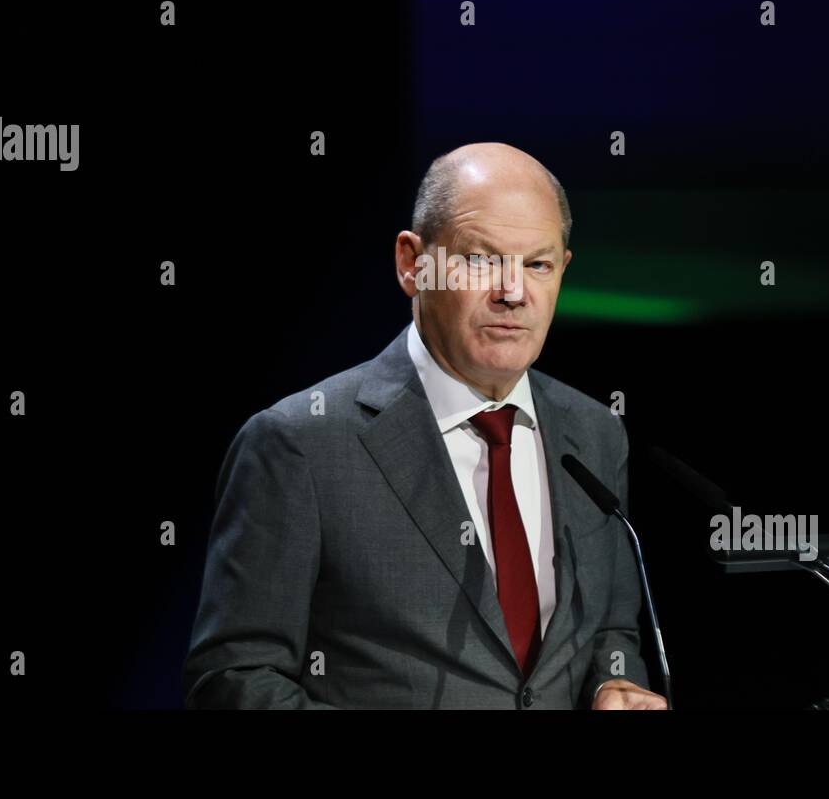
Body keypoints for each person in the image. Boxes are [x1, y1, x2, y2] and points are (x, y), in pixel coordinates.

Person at [182, 142, 667, 709]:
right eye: (483, 260)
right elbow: (233, 678)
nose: (513, 293)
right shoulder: (299, 444)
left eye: (537, 264)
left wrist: (615, 685)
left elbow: (611, 632)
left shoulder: (596, 433)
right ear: (413, 264)